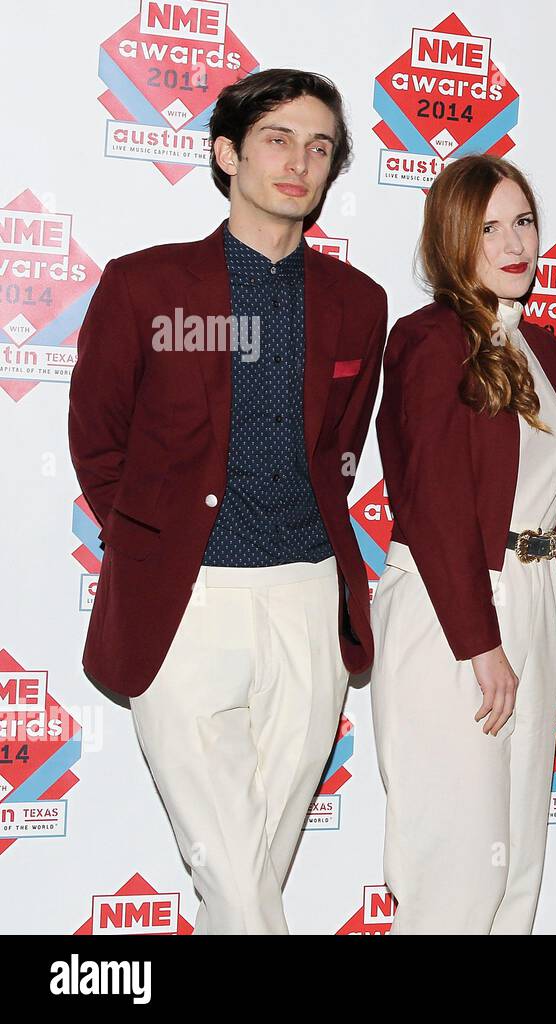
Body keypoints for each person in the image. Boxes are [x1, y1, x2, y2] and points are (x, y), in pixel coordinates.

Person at [68, 69, 387, 933]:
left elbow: (343, 449)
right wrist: (154, 538)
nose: (300, 161)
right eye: (278, 139)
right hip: (185, 598)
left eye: (320, 146)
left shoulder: (360, 303)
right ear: (227, 153)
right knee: (236, 873)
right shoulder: (145, 286)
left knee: (251, 868)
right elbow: (98, 441)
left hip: (309, 596)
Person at [370, 155, 556, 934]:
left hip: (532, 596)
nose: (514, 242)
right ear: (453, 238)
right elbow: (432, 502)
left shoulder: (541, 347)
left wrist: (538, 584)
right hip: (453, 606)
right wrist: (479, 638)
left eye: (523, 221)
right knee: (456, 868)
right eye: (489, 227)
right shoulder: (429, 339)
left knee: (516, 866)